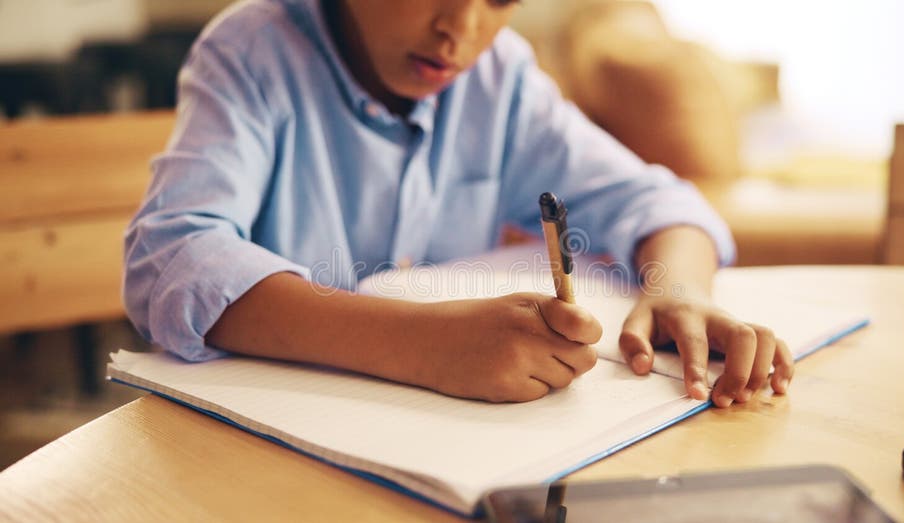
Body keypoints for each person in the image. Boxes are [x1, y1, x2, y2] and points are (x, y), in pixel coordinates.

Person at [123, 0, 794, 407]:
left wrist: (678, 288)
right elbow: (172, 258)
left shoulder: (499, 80)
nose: (461, 28)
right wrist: (425, 344)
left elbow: (655, 198)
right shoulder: (252, 53)